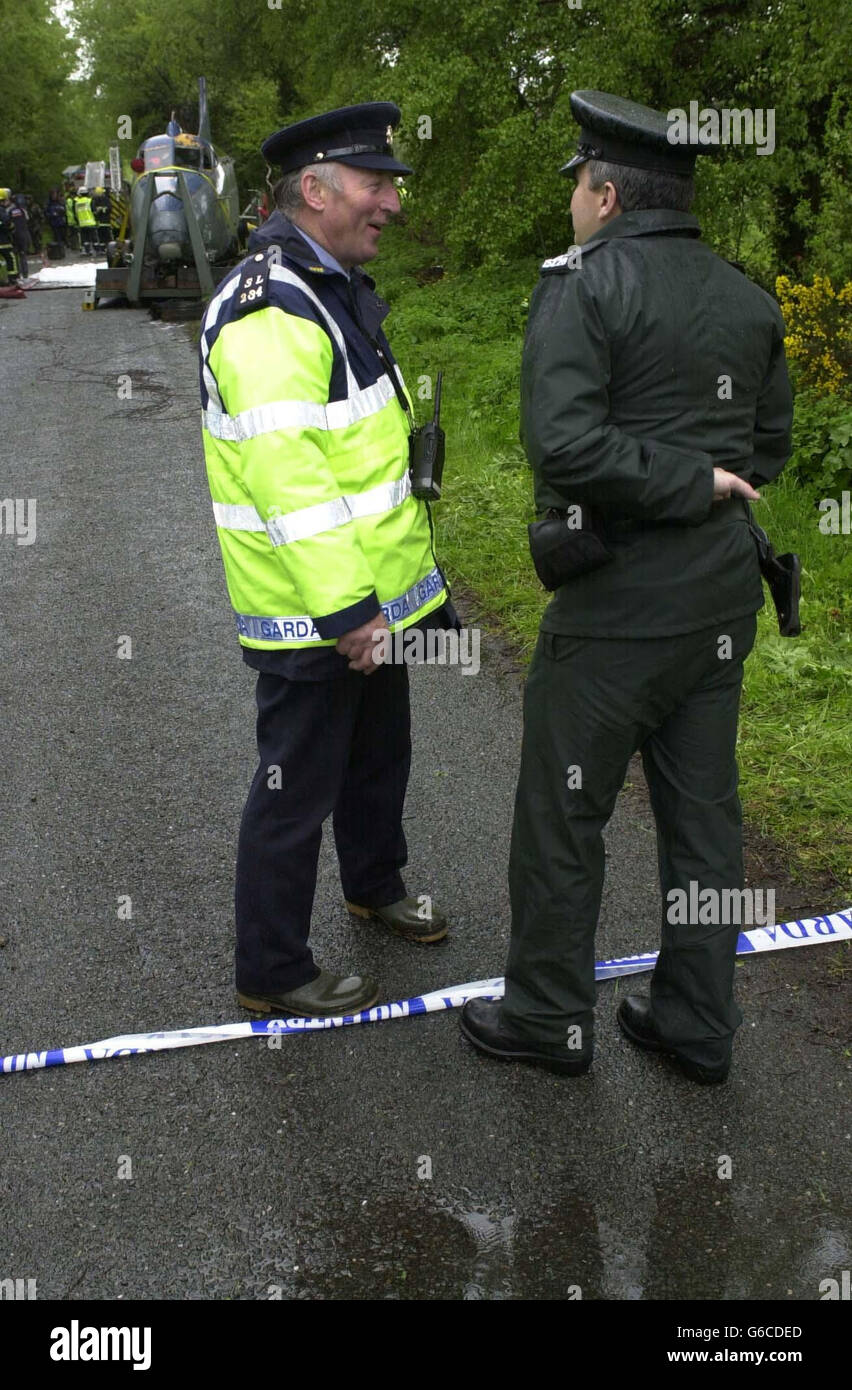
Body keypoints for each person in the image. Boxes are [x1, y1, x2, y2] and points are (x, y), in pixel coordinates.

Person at [460, 90, 793, 1082]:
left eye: (576, 185)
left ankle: (550, 1017)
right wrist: (707, 480)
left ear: (606, 195)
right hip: (723, 596)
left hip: (617, 602)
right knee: (704, 817)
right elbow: (766, 446)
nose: (570, 202)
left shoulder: (585, 284)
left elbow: (559, 438)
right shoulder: (747, 296)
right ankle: (697, 1022)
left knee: (565, 808)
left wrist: (677, 482)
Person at [199, 103, 459, 1019]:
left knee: (377, 756)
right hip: (320, 607)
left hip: (373, 597)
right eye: (375, 181)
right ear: (315, 189)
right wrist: (350, 611)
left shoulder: (327, 279)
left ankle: (373, 885)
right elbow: (291, 479)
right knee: (293, 787)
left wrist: (387, 601)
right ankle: (270, 970)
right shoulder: (271, 306)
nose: (391, 200)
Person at [74, 189, 97, 254]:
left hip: (82, 224)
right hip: (91, 223)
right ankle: (97, 250)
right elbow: (94, 211)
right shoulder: (90, 201)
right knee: (94, 238)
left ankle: (87, 251)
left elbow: (76, 213)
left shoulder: (77, 202)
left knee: (85, 239)